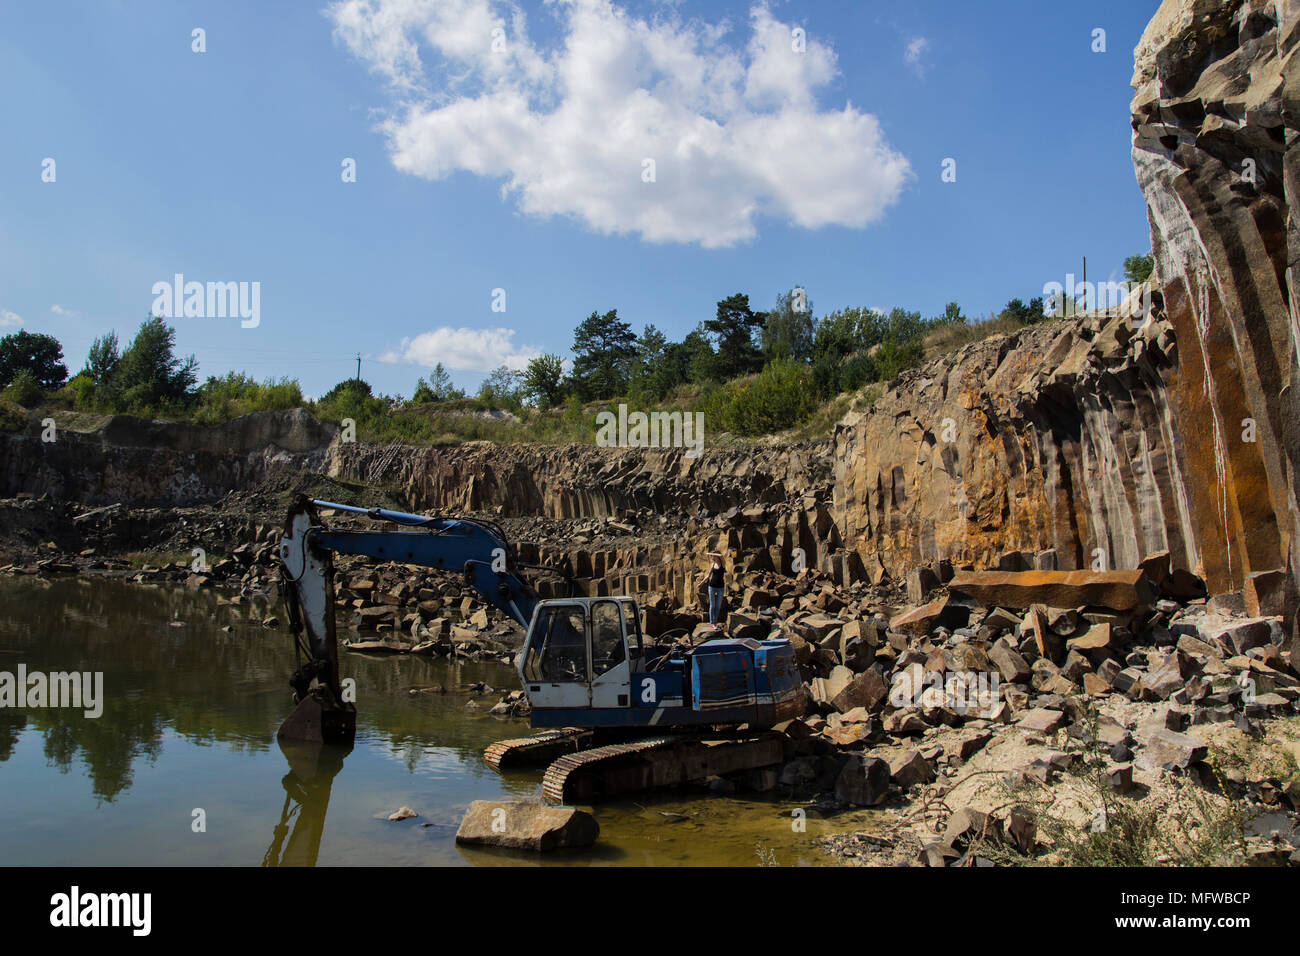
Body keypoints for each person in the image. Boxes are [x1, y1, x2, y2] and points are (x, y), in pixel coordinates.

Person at [701, 552, 726, 630]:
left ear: (717, 556)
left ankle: (715, 622)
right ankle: (712, 623)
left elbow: (721, 556)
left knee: (718, 606)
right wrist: (701, 583)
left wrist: (710, 553)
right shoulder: (712, 565)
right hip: (712, 587)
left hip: (720, 588)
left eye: (713, 556)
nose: (712, 557)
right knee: (712, 606)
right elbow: (708, 576)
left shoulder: (722, 564)